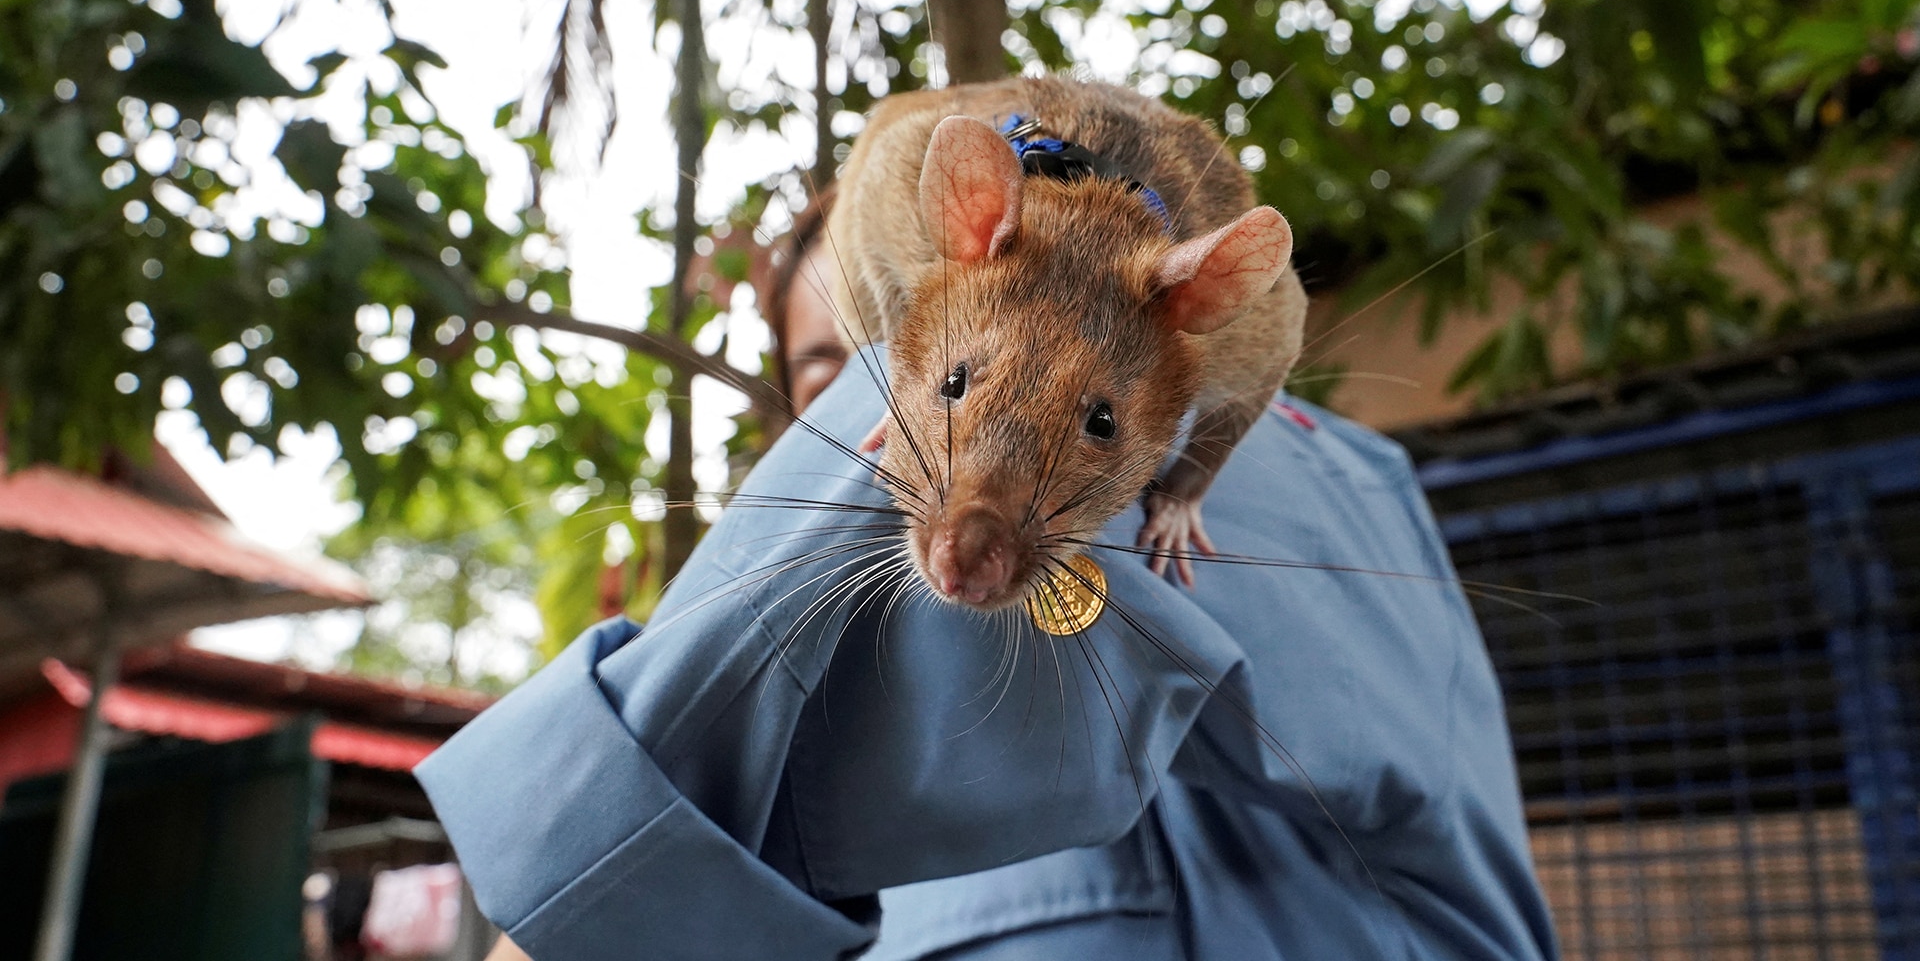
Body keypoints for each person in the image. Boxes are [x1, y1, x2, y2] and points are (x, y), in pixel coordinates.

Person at [419, 196, 1559, 961]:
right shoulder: (1364, 472)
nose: (861, 409)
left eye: (867, 371)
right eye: (835, 374)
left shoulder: (1198, 441)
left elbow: (634, 844)